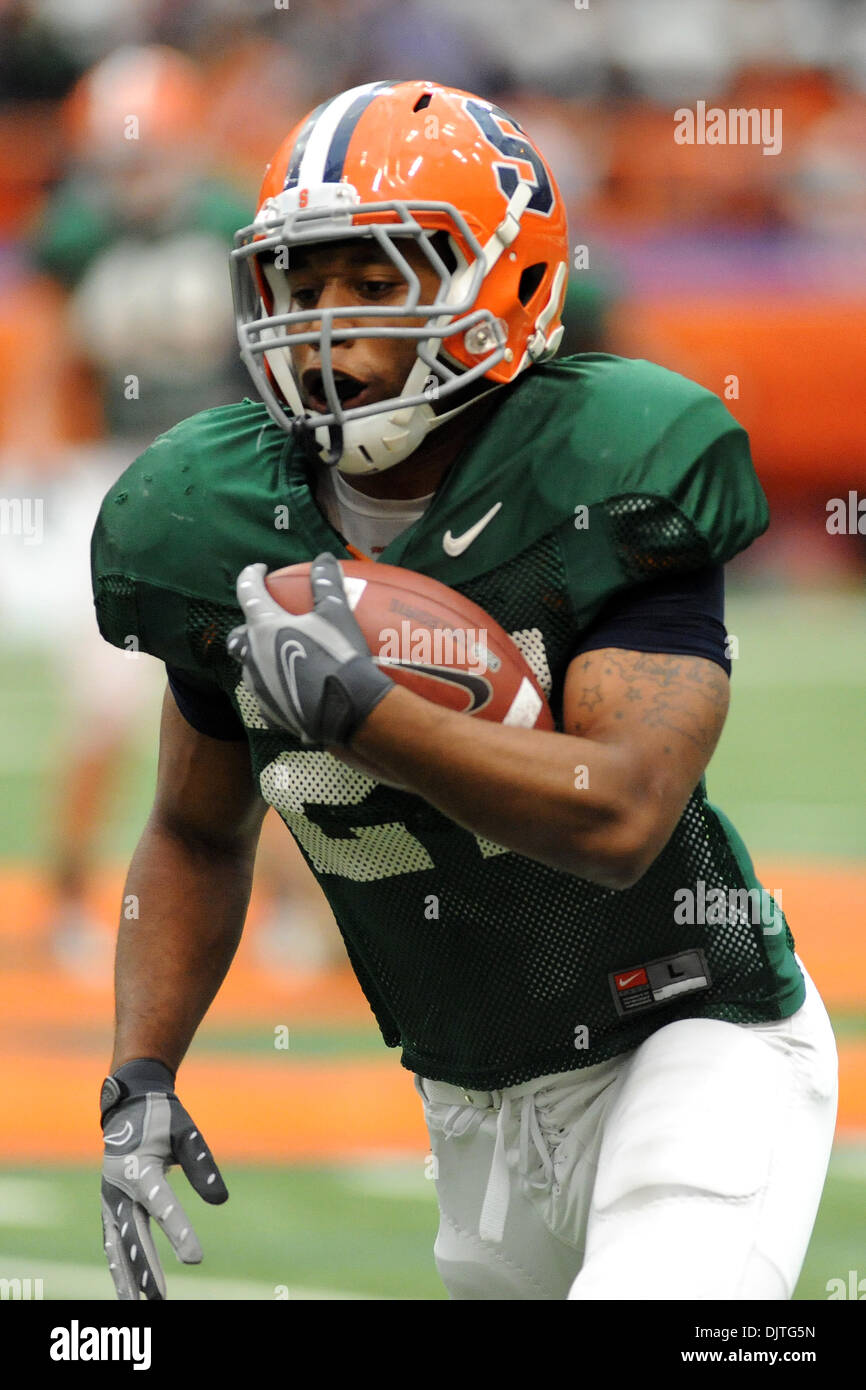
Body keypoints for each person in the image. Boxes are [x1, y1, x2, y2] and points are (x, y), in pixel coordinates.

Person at [92, 79, 838, 1301]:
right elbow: (191, 829)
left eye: (375, 281)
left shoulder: (608, 464)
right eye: (301, 281)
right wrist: (141, 1073)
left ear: (504, 280)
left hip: (691, 1037)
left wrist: (370, 715)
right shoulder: (208, 518)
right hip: (471, 1097)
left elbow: (621, 812)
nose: (323, 320)